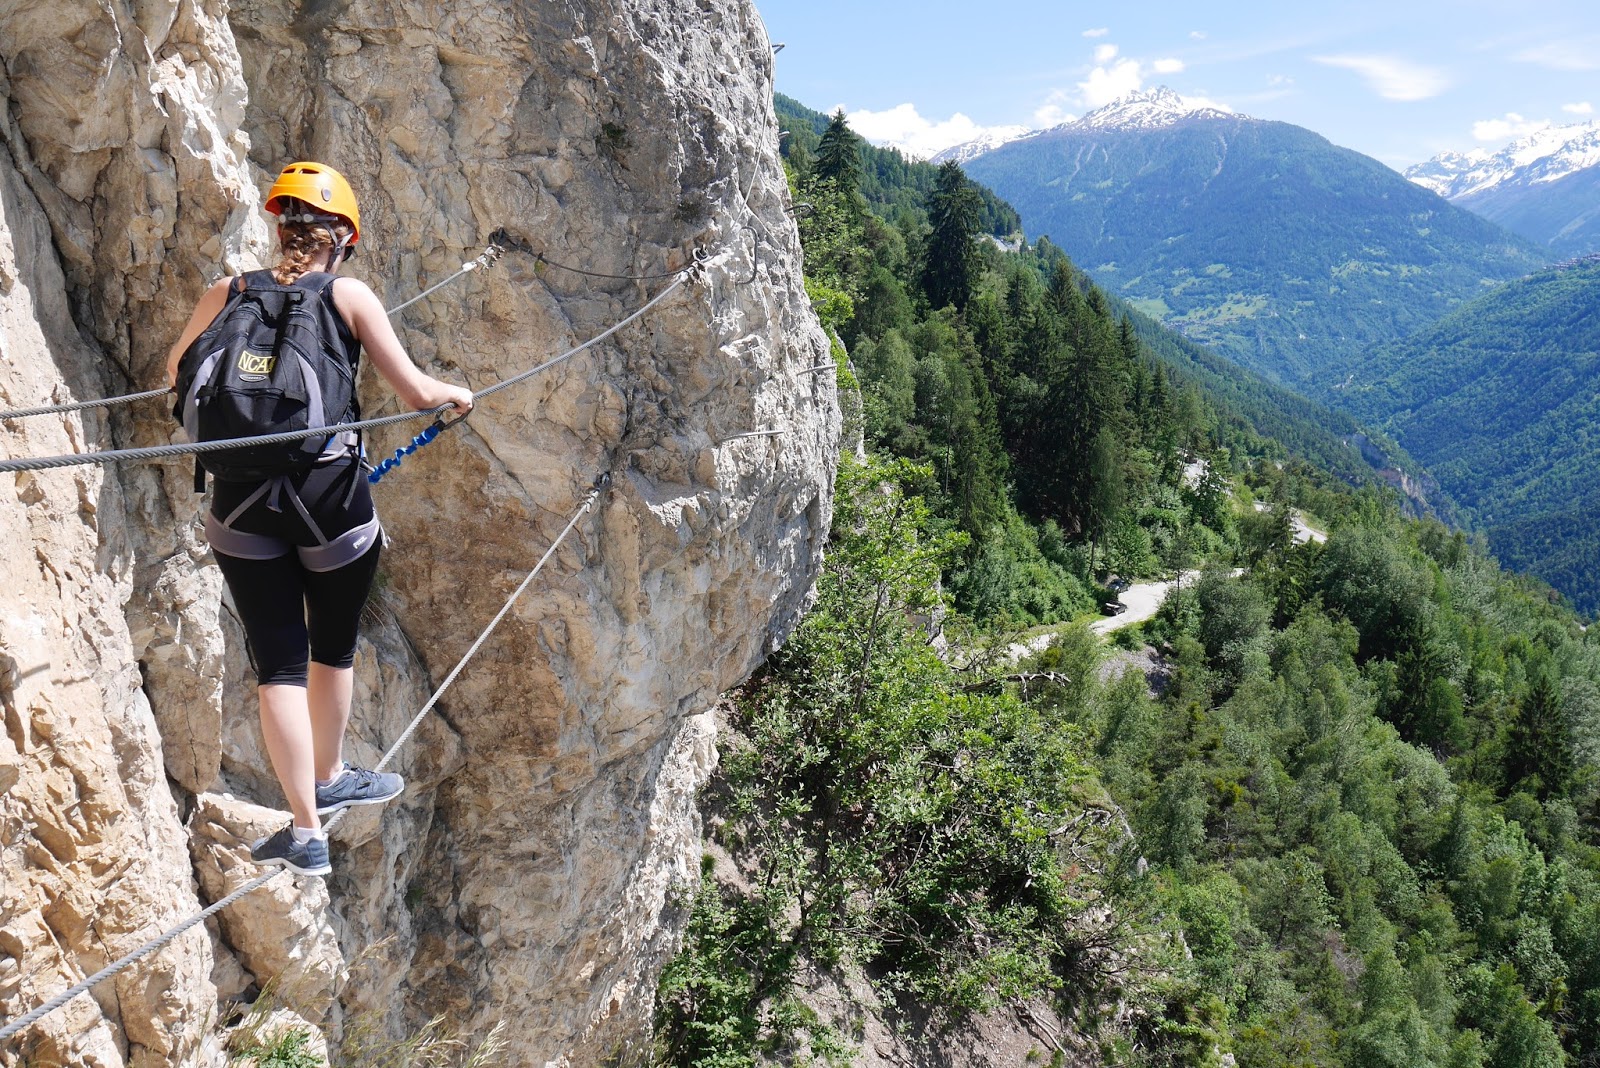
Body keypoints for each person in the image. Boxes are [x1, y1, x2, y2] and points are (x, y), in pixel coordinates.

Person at [165, 162, 473, 876]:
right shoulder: (348, 294)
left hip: (239, 501)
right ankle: (332, 774)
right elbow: (418, 392)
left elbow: (175, 374)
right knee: (332, 647)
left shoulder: (228, 292)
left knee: (279, 664)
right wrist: (456, 394)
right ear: (344, 240)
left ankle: (307, 831)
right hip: (330, 498)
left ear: (281, 228)